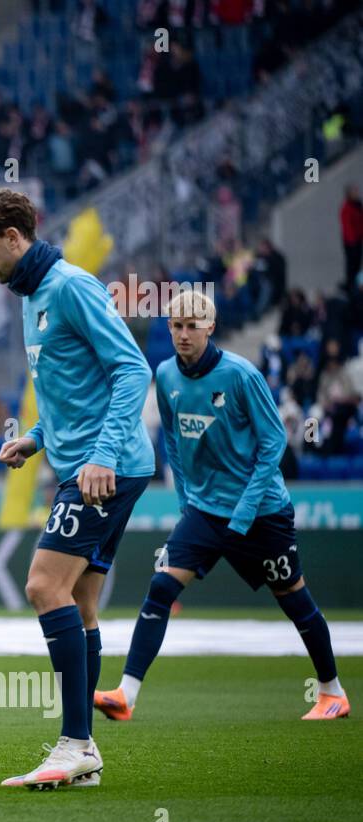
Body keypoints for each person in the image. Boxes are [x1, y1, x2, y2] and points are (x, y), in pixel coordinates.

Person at [0, 188, 155, 790]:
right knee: (79, 601)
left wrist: (101, 455)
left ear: (14, 238)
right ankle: (84, 751)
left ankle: (75, 743)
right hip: (89, 464)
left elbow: (131, 370)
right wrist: (35, 438)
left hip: (105, 470)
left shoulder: (72, 286)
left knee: (42, 586)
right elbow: (72, 390)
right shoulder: (31, 295)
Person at [95, 291, 348, 721]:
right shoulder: (166, 375)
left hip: (262, 513)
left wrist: (245, 512)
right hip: (205, 512)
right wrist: (185, 500)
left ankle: (332, 692)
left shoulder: (241, 375)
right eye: (176, 326)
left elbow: (274, 443)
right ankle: (126, 695)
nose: (183, 334)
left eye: (192, 326)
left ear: (210, 327)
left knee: (294, 599)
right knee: (161, 588)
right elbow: (172, 439)